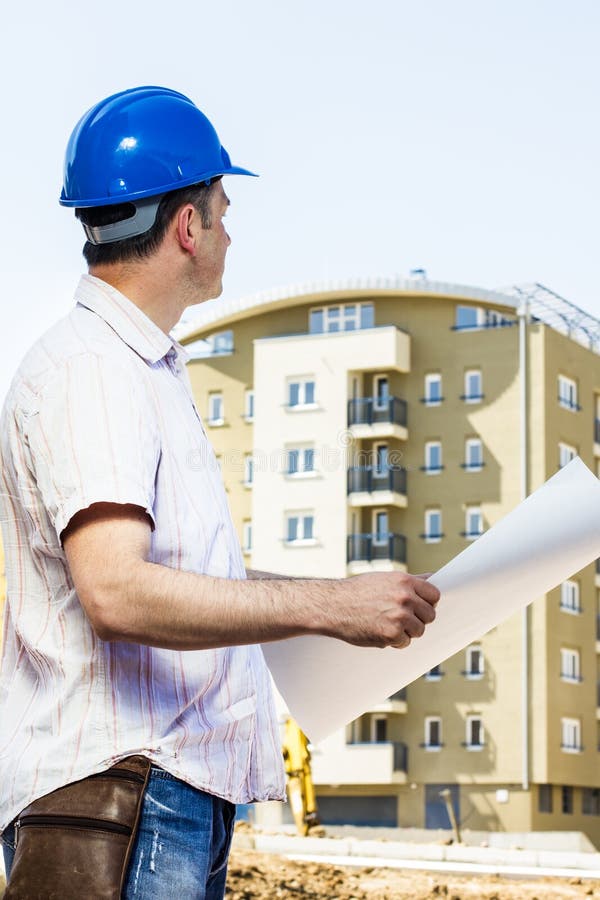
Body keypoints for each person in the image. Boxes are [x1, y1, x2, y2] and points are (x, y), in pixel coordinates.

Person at [0, 86, 440, 898]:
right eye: (224, 208)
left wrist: (346, 599)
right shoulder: (94, 372)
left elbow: (186, 579)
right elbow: (117, 591)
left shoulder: (141, 371)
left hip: (160, 799)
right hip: (124, 799)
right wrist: (327, 609)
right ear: (187, 226)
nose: (231, 230)